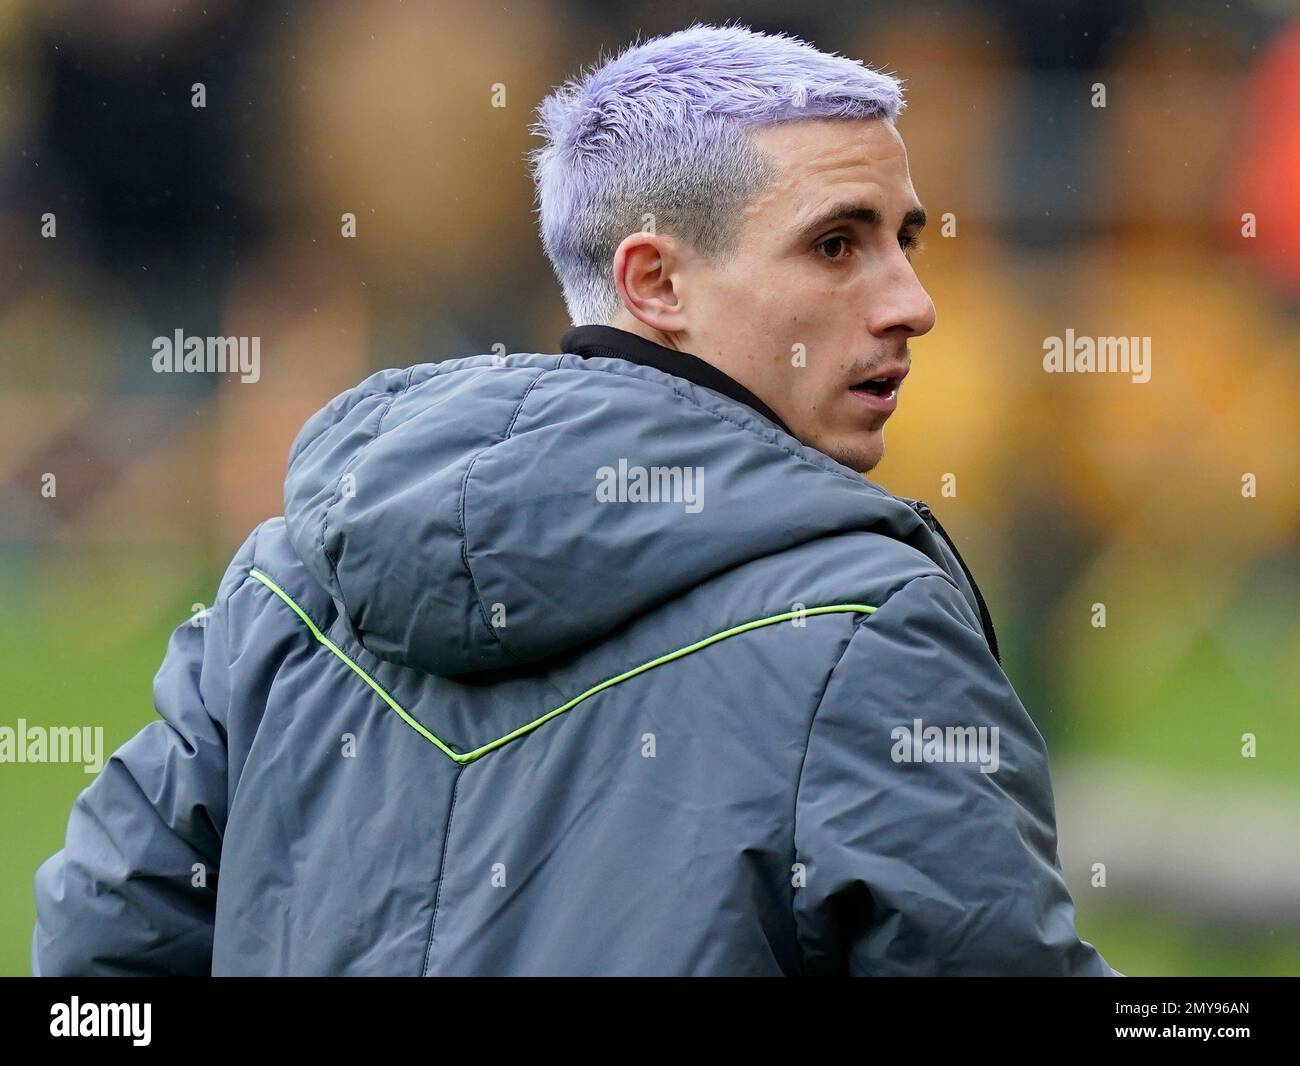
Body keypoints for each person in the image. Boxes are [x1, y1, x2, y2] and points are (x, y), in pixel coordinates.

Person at [33, 22, 1120, 976]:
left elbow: (98, 952)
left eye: (905, 241)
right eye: (836, 244)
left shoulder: (283, 584)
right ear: (655, 283)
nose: (913, 303)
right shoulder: (864, 626)